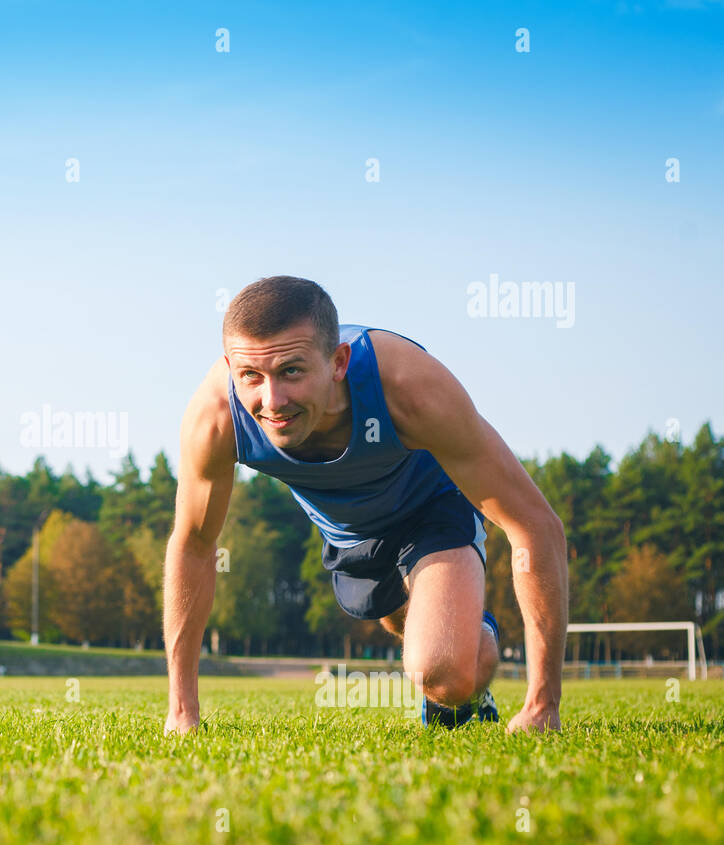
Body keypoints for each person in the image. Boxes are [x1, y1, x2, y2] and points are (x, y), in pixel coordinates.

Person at [164, 276, 567, 733]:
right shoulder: (217, 417)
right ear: (230, 368)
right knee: (406, 628)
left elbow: (536, 524)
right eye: (251, 376)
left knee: (443, 675)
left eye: (292, 371)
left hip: (432, 507)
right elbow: (195, 544)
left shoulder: (407, 387)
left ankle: (470, 650)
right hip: (348, 532)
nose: (272, 401)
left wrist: (542, 704)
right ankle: (463, 636)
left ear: (338, 362)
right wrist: (182, 712)